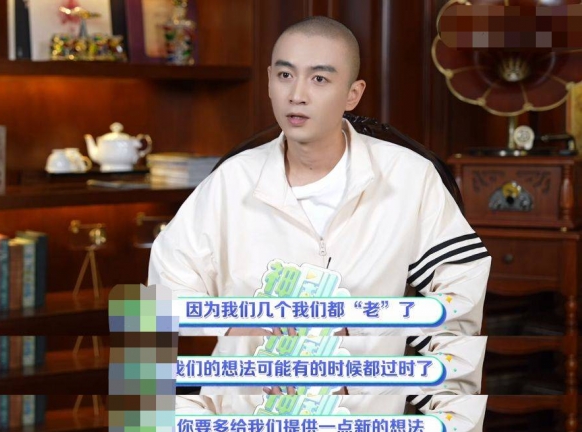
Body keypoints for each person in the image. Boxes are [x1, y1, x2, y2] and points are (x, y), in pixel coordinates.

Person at [148, 16, 490, 337]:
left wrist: (361, 331)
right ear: (269, 81)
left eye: (319, 79)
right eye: (285, 75)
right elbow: (163, 293)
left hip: (361, 379)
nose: (297, 95)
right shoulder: (231, 181)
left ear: (353, 94)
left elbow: (461, 294)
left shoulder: (408, 177)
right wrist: (233, 329)